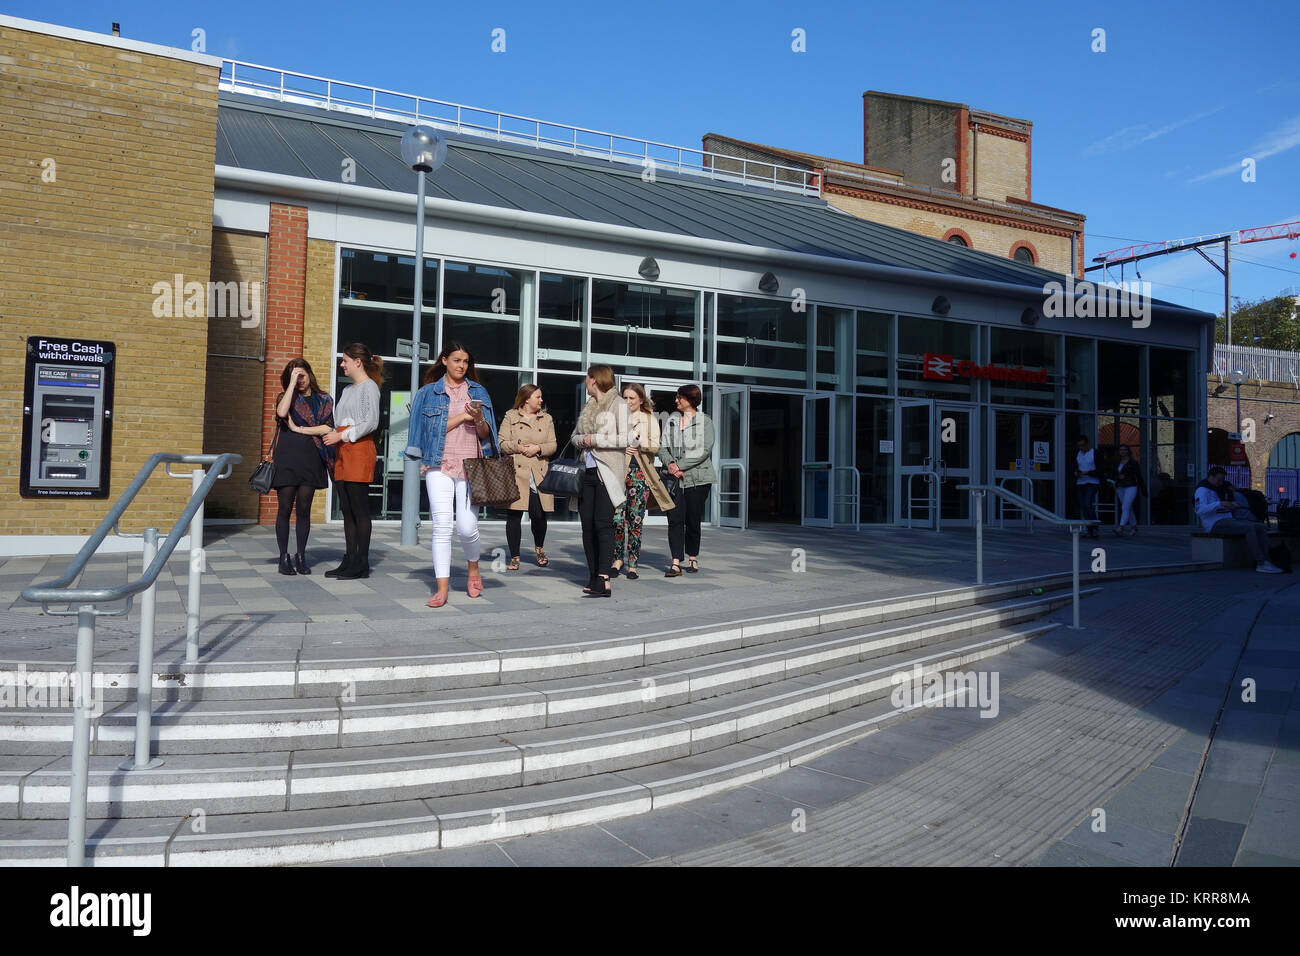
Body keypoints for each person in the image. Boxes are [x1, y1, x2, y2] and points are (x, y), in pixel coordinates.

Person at [406, 343, 500, 608]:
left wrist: (480, 417)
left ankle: (473, 569)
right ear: (444, 360)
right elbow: (426, 430)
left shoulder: (479, 392)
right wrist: (461, 417)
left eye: (466, 361)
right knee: (442, 527)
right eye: (457, 360)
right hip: (439, 464)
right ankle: (442, 588)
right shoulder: (428, 393)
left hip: (472, 465)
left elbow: (486, 435)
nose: (461, 366)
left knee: (467, 528)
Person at [319, 343, 383, 579]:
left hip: (358, 448)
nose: (342, 364)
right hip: (342, 449)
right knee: (346, 508)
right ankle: (350, 558)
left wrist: (341, 435)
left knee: (359, 508)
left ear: (358, 361)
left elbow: (370, 422)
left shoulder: (370, 388)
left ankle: (361, 563)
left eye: (345, 360)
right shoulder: (347, 390)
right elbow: (338, 421)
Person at [571, 364, 630, 598]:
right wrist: (583, 440)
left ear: (594, 379)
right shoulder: (588, 406)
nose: (585, 381)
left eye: (587, 377)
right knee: (587, 527)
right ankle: (593, 576)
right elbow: (575, 437)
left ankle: (604, 578)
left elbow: (627, 437)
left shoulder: (619, 404)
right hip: (586, 474)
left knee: (602, 525)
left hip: (608, 474)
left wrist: (594, 438)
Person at [272, 359, 334, 575]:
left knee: (304, 509)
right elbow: (281, 413)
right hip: (287, 458)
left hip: (311, 458)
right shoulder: (286, 398)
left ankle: (301, 556)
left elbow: (327, 428)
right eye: (294, 376)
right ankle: (283, 557)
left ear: (309, 374)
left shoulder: (324, 399)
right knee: (285, 508)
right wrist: (290, 385)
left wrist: (298, 428)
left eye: (301, 375)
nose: (299, 380)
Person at [611, 384, 675, 580]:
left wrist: (638, 443)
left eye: (632, 398)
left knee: (635, 520)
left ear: (641, 400)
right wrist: (623, 445)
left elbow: (655, 446)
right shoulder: (617, 418)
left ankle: (633, 564)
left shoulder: (649, 419)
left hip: (640, 475)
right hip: (618, 474)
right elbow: (607, 442)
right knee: (617, 520)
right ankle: (617, 559)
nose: (628, 402)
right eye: (625, 398)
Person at [497, 384, 557, 570]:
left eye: (541, 397)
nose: (541, 400)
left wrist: (538, 448)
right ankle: (514, 556)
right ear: (526, 399)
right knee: (513, 516)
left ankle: (539, 548)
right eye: (537, 397)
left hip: (538, 472)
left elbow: (553, 445)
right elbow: (502, 442)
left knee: (539, 515)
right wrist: (520, 446)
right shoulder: (510, 416)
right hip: (516, 472)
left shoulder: (546, 418)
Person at [660, 384, 716, 577]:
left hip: (698, 480)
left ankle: (692, 556)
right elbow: (662, 447)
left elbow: (704, 450)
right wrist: (671, 465)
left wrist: (680, 465)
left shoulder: (705, 422)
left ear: (690, 400)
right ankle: (675, 561)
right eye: (676, 397)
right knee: (675, 519)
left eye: (680, 397)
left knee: (693, 520)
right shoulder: (672, 421)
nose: (676, 400)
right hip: (675, 480)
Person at [1194, 466, 1284, 573]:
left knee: (1260, 526)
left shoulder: (1219, 489)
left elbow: (1227, 502)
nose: (1220, 482)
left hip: (1229, 519)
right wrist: (1220, 503)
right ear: (1211, 477)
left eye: (1222, 480)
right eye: (1218, 480)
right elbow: (1200, 510)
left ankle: (1267, 560)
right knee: (1249, 528)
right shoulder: (1202, 490)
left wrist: (1232, 505)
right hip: (1215, 523)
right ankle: (1261, 563)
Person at [1111, 444, 1146, 537]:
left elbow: (1138, 476)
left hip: (1131, 486)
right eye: (1121, 450)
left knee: (1125, 507)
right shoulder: (1117, 462)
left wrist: (1143, 489)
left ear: (1128, 451)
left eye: (1124, 450)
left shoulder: (1133, 462)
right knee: (1128, 508)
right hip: (1120, 487)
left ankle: (1120, 528)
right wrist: (1116, 480)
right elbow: (1114, 474)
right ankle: (1134, 527)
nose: (1122, 451)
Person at [1073, 435, 1101, 539]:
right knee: (1084, 506)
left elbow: (1101, 469)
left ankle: (1094, 528)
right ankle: (1090, 529)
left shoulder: (1095, 453)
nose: (1081, 448)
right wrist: (1076, 472)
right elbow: (1075, 465)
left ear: (1087, 444)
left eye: (1083, 445)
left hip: (1092, 482)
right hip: (1081, 482)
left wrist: (1088, 472)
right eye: (1079, 446)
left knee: (1087, 504)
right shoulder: (1078, 454)